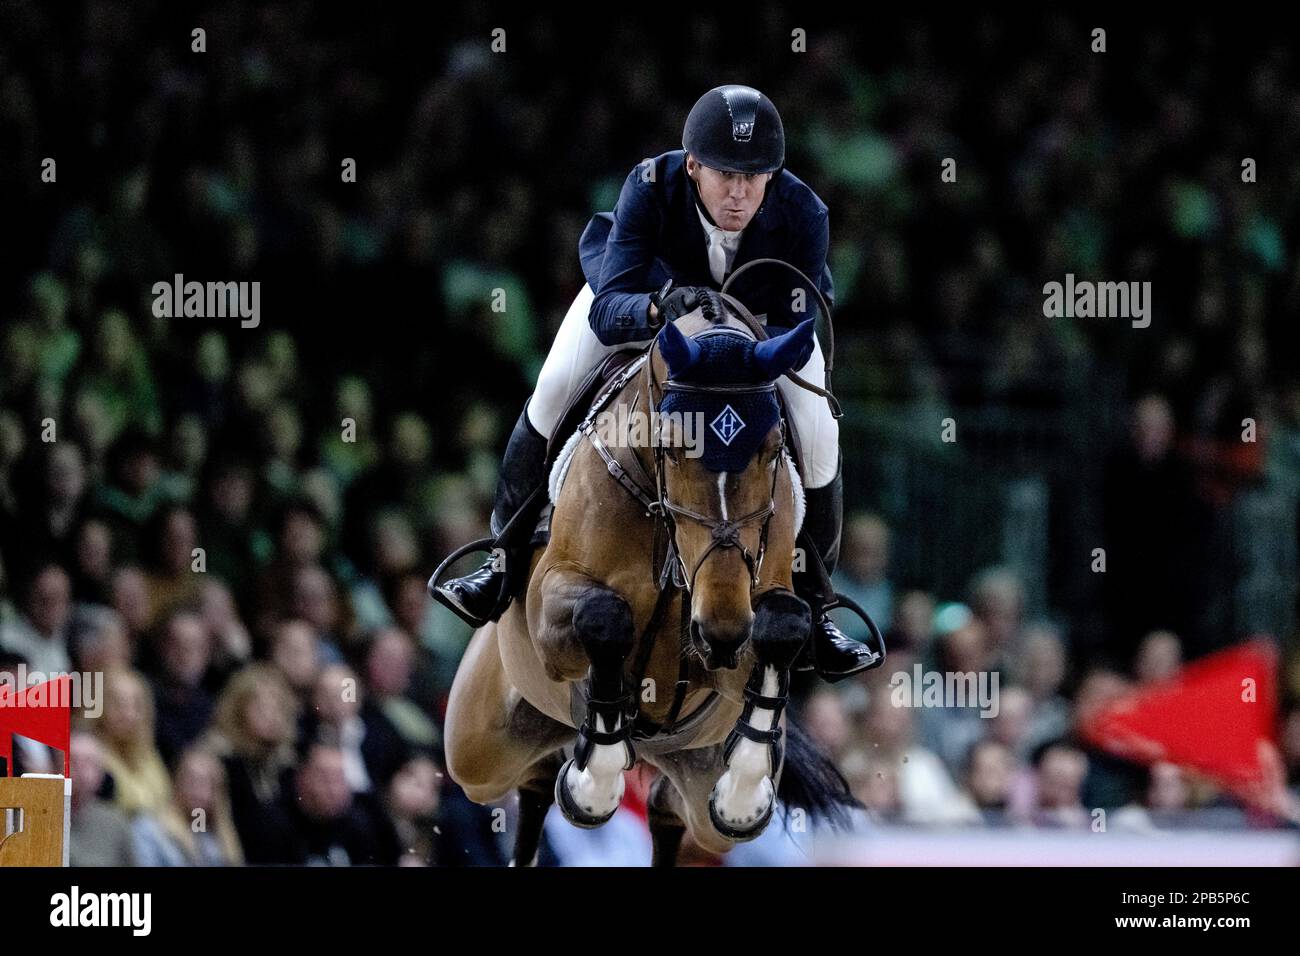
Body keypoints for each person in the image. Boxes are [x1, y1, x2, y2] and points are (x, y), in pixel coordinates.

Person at [432, 85, 878, 681]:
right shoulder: (649, 186)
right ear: (693, 166)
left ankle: (820, 607)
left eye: (755, 176)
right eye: (724, 175)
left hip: (755, 335)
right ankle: (502, 560)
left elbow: (798, 319)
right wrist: (662, 308)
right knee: (553, 388)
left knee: (821, 434)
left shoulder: (805, 212)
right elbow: (608, 305)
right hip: (644, 307)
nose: (740, 193)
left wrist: (730, 332)